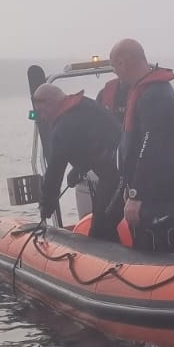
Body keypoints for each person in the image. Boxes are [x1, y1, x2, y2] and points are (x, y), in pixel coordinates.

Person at [107, 38, 174, 249]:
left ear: (123, 63)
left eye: (115, 67)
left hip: (157, 194)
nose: (116, 73)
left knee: (156, 246)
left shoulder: (154, 95)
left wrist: (137, 194)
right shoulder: (148, 91)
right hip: (152, 190)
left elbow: (150, 147)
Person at [31, 81, 122, 239]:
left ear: (50, 103)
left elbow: (54, 172)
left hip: (118, 175)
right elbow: (93, 142)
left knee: (100, 229)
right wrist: (79, 169)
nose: (43, 117)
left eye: (41, 112)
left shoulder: (64, 127)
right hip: (120, 169)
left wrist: (46, 208)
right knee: (105, 219)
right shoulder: (86, 105)